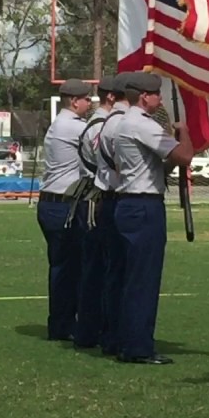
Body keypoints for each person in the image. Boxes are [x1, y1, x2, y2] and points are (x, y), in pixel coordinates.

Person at [111, 72, 193, 364]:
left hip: (128, 203)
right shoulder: (142, 125)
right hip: (144, 205)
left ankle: (124, 339)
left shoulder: (125, 123)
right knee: (143, 280)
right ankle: (138, 346)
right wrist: (184, 132)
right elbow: (184, 156)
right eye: (157, 95)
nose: (160, 100)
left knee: (128, 277)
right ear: (145, 96)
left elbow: (160, 165)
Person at [37, 78, 92, 342]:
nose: (89, 104)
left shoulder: (59, 125)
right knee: (70, 268)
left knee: (62, 267)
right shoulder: (74, 127)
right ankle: (66, 324)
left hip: (51, 201)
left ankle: (62, 322)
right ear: (75, 101)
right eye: (87, 99)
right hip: (63, 204)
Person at [73, 74, 119, 350]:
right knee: (96, 268)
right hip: (95, 197)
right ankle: (91, 329)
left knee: (97, 267)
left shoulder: (98, 123)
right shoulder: (100, 126)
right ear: (111, 97)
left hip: (93, 196)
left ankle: (92, 328)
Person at [93, 73, 131, 356]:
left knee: (112, 272)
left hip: (107, 197)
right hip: (118, 197)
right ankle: (118, 334)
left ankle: (110, 332)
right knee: (122, 273)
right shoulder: (119, 125)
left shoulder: (104, 124)